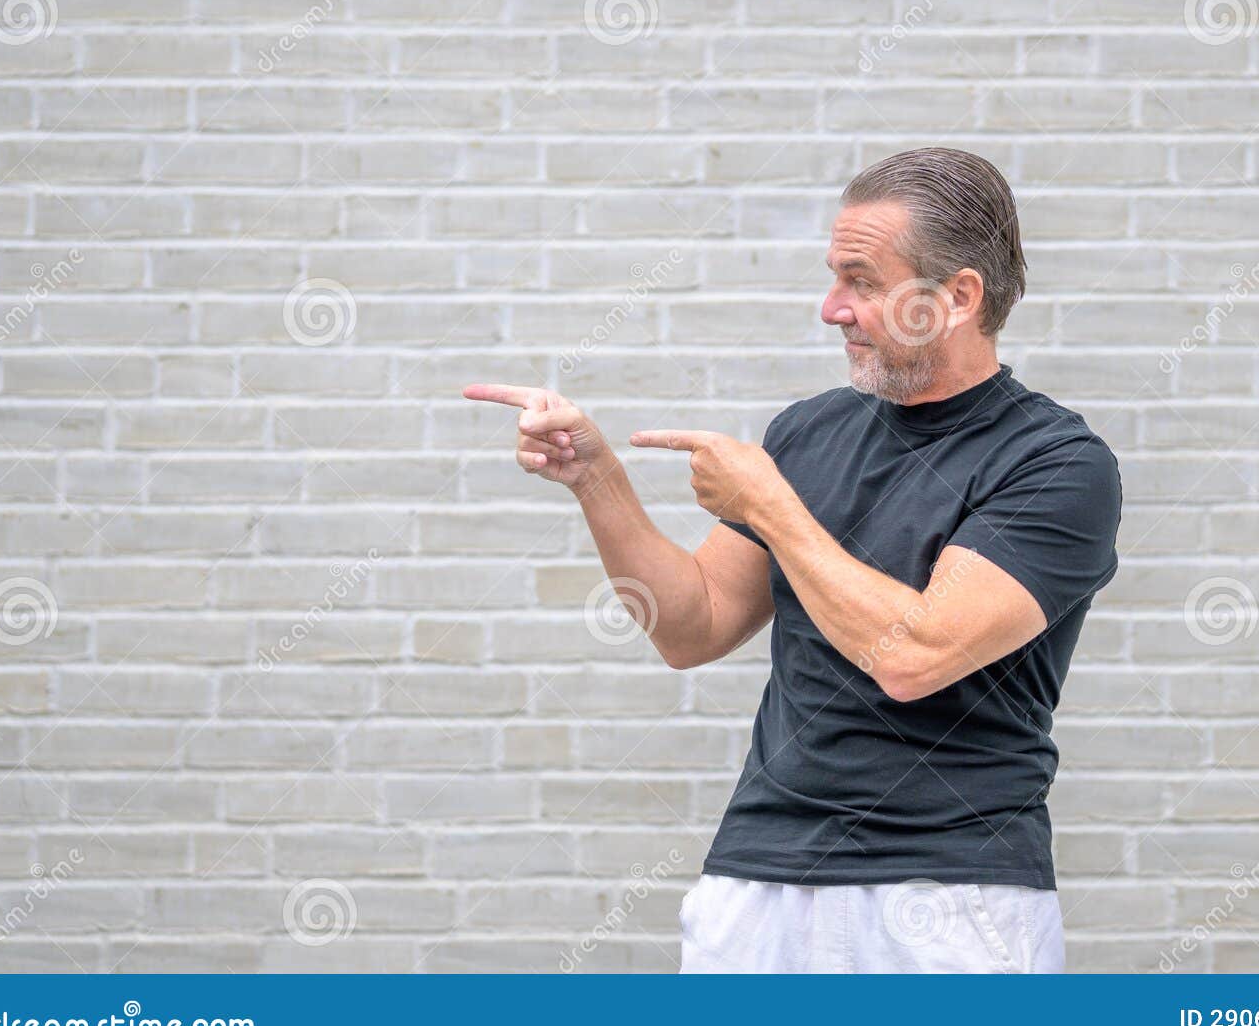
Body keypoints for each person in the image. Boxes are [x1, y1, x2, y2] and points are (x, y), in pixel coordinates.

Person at [465, 147, 1122, 973]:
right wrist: (597, 477)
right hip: (760, 879)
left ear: (957, 297)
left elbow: (916, 656)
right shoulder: (808, 434)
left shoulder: (1055, 463)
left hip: (951, 897)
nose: (831, 309)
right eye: (833, 278)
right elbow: (692, 627)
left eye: (862, 281)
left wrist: (770, 506)